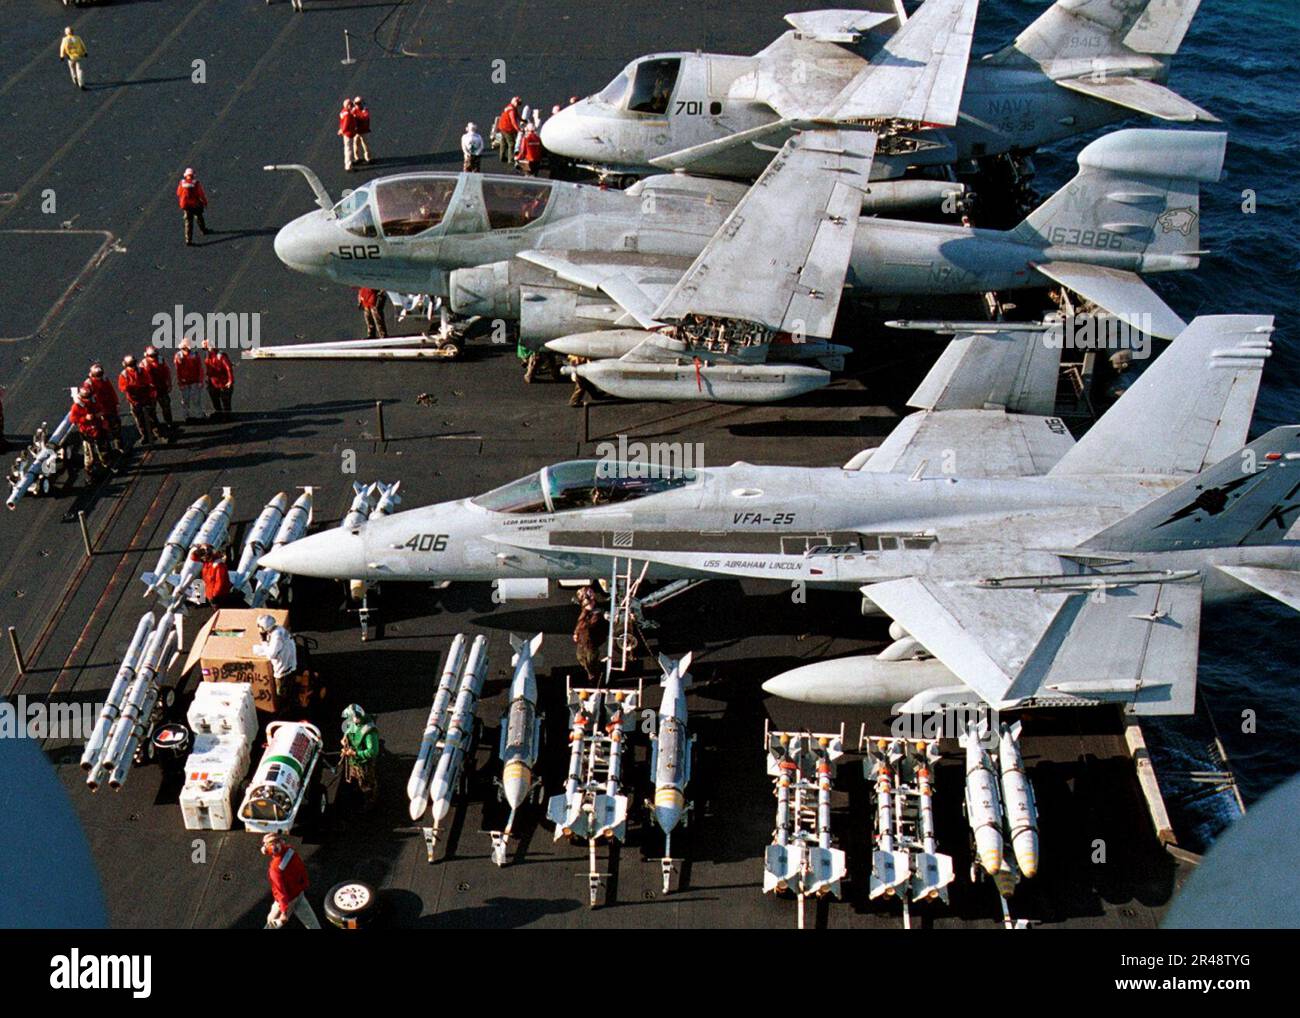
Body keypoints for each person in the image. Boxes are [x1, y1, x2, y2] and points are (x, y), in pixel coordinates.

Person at [261, 834, 320, 930]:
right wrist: (304, 883)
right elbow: (301, 868)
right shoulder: (290, 851)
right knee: (312, 924)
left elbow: (281, 893)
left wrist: (284, 912)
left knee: (271, 924)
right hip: (299, 894)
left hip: (287, 901)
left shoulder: (275, 869)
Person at [340, 704, 380, 809]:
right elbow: (349, 729)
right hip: (353, 760)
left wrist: (355, 754)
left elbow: (372, 751)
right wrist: (345, 738)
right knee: (355, 780)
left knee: (366, 784)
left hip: (364, 764)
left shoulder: (369, 732)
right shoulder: (353, 721)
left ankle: (370, 801)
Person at [117, 355, 159, 446]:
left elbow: (148, 381)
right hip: (134, 400)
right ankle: (144, 435)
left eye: (133, 364)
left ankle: (156, 431)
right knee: (139, 419)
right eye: (130, 365)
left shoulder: (142, 371)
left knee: (152, 415)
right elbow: (122, 387)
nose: (132, 366)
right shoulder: (123, 375)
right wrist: (130, 387)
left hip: (145, 397)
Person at [68, 386, 110, 478]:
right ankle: (90, 471)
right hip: (87, 433)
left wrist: (100, 414)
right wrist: (84, 418)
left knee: (103, 449)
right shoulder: (77, 406)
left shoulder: (94, 401)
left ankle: (106, 464)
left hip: (98, 429)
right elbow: (72, 419)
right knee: (89, 454)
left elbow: (101, 408)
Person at [84, 362, 124, 456]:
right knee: (103, 433)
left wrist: (116, 403)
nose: (100, 377)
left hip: (110, 407)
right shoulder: (88, 385)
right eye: (98, 375)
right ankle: (110, 452)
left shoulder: (104, 379)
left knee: (116, 427)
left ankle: (120, 446)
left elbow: (111, 391)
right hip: (99, 412)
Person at [573, 586, 604, 682]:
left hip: (591, 641)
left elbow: (590, 624)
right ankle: (590, 672)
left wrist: (581, 628)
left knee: (591, 660)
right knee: (580, 657)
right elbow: (580, 622)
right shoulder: (585, 612)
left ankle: (593, 674)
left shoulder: (596, 613)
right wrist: (576, 632)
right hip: (583, 641)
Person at [142, 346, 174, 432]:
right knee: (151, 410)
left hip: (162, 387)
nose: (153, 357)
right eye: (151, 356)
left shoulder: (161, 360)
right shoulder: (143, 364)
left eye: (154, 355)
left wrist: (169, 384)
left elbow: (167, 372)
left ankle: (169, 423)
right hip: (151, 391)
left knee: (166, 407)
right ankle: (156, 428)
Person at [176, 168, 210, 246]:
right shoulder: (196, 183)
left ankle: (188, 240)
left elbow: (178, 193)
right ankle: (203, 230)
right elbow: (201, 194)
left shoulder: (182, 183)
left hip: (186, 206)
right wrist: (205, 203)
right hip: (195, 205)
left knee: (188, 223)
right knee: (199, 217)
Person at [173, 338, 205, 421]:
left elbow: (200, 368)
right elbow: (178, 371)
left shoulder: (195, 355)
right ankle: (186, 416)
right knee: (185, 400)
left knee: (196, 400)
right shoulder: (178, 356)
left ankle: (199, 415)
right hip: (185, 382)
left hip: (195, 381)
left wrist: (200, 381)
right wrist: (180, 383)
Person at [201, 340, 234, 418]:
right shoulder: (206, 355)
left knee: (225, 399)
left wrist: (230, 380)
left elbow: (228, 368)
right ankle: (218, 412)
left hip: (223, 381)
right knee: (214, 397)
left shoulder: (221, 356)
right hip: (213, 381)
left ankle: (227, 415)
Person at [495, 97, 521, 165]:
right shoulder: (511, 110)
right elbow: (513, 121)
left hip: (502, 127)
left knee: (503, 142)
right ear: (515, 102)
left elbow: (517, 115)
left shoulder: (510, 107)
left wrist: (522, 120)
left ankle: (502, 157)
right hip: (507, 128)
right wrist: (518, 129)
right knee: (511, 143)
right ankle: (511, 159)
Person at [351, 96, 372, 166]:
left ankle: (368, 158)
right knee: (355, 144)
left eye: (358, 103)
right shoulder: (354, 110)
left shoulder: (364, 110)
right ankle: (357, 158)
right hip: (357, 131)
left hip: (363, 130)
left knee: (365, 144)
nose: (357, 105)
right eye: (356, 103)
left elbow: (365, 117)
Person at [338, 98, 356, 172]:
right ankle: (348, 165)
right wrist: (343, 130)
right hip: (348, 133)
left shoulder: (343, 112)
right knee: (349, 149)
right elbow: (346, 124)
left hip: (346, 133)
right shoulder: (348, 114)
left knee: (347, 148)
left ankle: (349, 162)